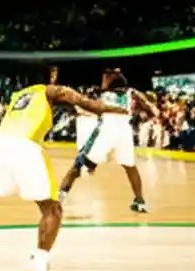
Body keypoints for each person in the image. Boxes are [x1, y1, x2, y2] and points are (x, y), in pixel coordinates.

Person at [0, 78, 127, 271]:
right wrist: (115, 110)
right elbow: (86, 102)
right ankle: (38, 263)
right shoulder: (51, 90)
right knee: (52, 208)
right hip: (25, 145)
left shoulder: (20, 95)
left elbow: (66, 106)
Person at [57, 68, 158, 212]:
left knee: (78, 165)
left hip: (107, 132)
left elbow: (92, 107)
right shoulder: (132, 93)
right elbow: (153, 111)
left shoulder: (103, 94)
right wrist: (137, 113)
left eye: (107, 76)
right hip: (124, 132)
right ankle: (140, 201)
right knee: (130, 167)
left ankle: (60, 197)